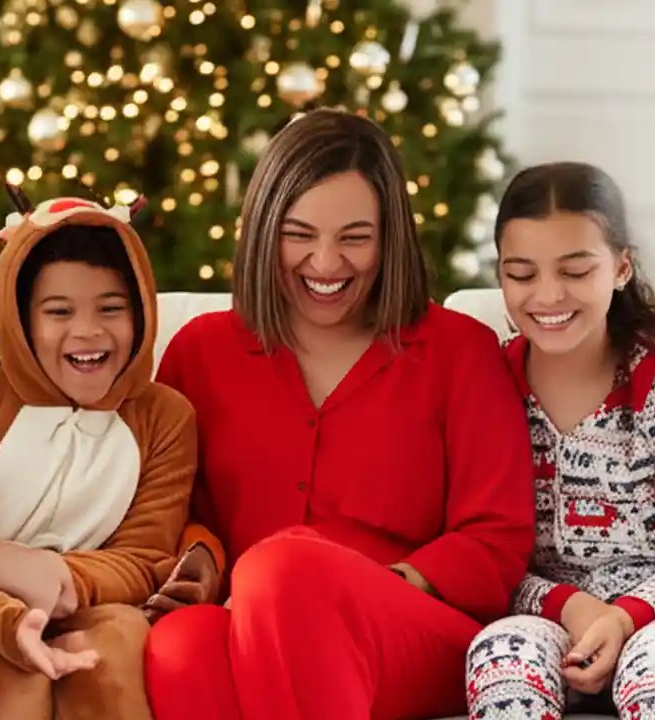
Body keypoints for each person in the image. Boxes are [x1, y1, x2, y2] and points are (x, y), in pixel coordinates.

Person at [141, 108, 536, 719]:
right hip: (249, 618)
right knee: (181, 644)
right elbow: (170, 513)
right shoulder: (200, 352)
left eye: (354, 238)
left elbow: (497, 538)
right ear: (264, 231)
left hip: (413, 630)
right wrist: (202, 560)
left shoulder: (460, 350)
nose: (326, 263)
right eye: (299, 235)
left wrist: (367, 585)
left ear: (389, 238)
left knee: (282, 571)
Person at [0, 190, 199, 719]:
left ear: (141, 312)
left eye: (111, 309)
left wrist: (55, 576)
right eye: (59, 312)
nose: (88, 331)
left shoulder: (165, 417)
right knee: (7, 678)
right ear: (21, 321)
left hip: (100, 605)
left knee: (112, 649)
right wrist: (7, 618)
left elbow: (145, 559)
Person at [465, 162, 655, 718]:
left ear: (621, 268)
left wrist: (625, 617)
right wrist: (570, 606)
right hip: (547, 621)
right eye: (521, 274)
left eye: (575, 271)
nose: (548, 294)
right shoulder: (485, 386)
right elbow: (478, 549)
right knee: (501, 662)